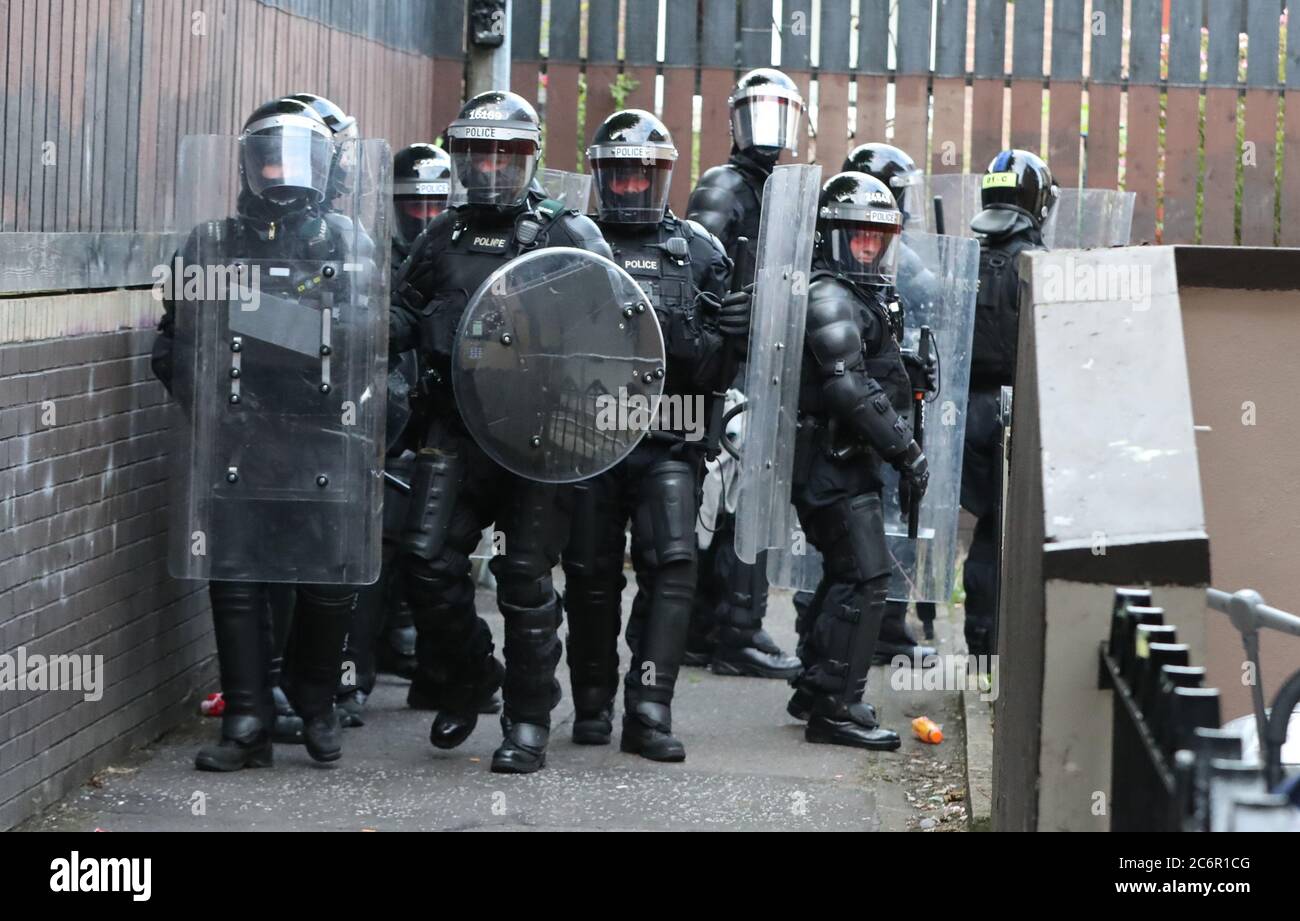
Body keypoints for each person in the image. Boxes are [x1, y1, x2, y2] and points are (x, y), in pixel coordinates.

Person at [389, 90, 611, 774]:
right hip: (454, 430)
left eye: (503, 154)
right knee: (425, 558)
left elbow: (613, 336)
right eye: (477, 154)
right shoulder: (443, 236)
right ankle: (469, 678)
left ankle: (527, 720)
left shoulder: (567, 233)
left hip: (537, 438)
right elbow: (398, 313)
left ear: (529, 159)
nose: (489, 168)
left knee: (524, 578)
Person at [152, 98, 372, 769]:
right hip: (241, 435)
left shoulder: (346, 241)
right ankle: (246, 718)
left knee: (330, 575)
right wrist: (214, 404)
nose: (281, 169)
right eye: (268, 155)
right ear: (248, 164)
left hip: (320, 432)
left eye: (294, 156)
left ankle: (313, 697)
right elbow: (174, 345)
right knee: (237, 574)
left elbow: (372, 340)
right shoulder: (212, 241)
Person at [561, 110, 745, 760]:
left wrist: (728, 330)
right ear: (603, 174)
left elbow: (719, 370)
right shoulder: (568, 242)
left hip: (668, 435)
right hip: (586, 436)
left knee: (672, 562)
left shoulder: (699, 252)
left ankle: (648, 706)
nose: (634, 183)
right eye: (622, 171)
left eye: (645, 171)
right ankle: (590, 702)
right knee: (589, 572)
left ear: (662, 174)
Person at [784, 172, 930, 750]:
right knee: (866, 578)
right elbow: (847, 387)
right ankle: (836, 710)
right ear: (832, 236)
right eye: (857, 235)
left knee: (848, 574)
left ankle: (815, 687)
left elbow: (872, 372)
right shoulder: (829, 293)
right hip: (830, 464)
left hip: (849, 461)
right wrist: (907, 449)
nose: (868, 246)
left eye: (878, 236)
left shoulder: (862, 293)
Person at [683, 67, 805, 680]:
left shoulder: (778, 190)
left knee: (735, 500)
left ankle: (708, 632)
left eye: (780, 112)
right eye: (759, 111)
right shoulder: (724, 185)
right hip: (728, 369)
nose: (768, 126)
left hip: (759, 367)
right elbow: (694, 272)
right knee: (737, 498)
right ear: (736, 120)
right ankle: (734, 632)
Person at [840, 141, 940, 658]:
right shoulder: (840, 265)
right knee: (863, 536)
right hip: (860, 422)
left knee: (878, 528)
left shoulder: (889, 256)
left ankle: (878, 633)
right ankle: (867, 641)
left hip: (884, 411)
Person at [962, 149, 1056, 656]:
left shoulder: (963, 264)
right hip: (1017, 415)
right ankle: (1004, 650)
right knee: (1012, 536)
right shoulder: (1038, 268)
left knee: (987, 532)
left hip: (967, 418)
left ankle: (982, 645)